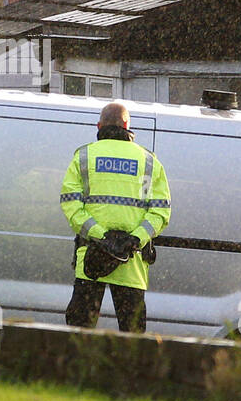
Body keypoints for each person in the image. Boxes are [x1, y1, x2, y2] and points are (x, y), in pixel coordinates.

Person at [59, 101, 171, 332]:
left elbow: (71, 205)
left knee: (79, 335)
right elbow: (160, 210)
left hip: (92, 259)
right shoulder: (148, 161)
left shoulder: (85, 157)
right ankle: (127, 370)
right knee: (132, 340)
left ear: (99, 126)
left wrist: (102, 237)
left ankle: (83, 368)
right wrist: (134, 240)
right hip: (132, 262)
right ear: (127, 125)